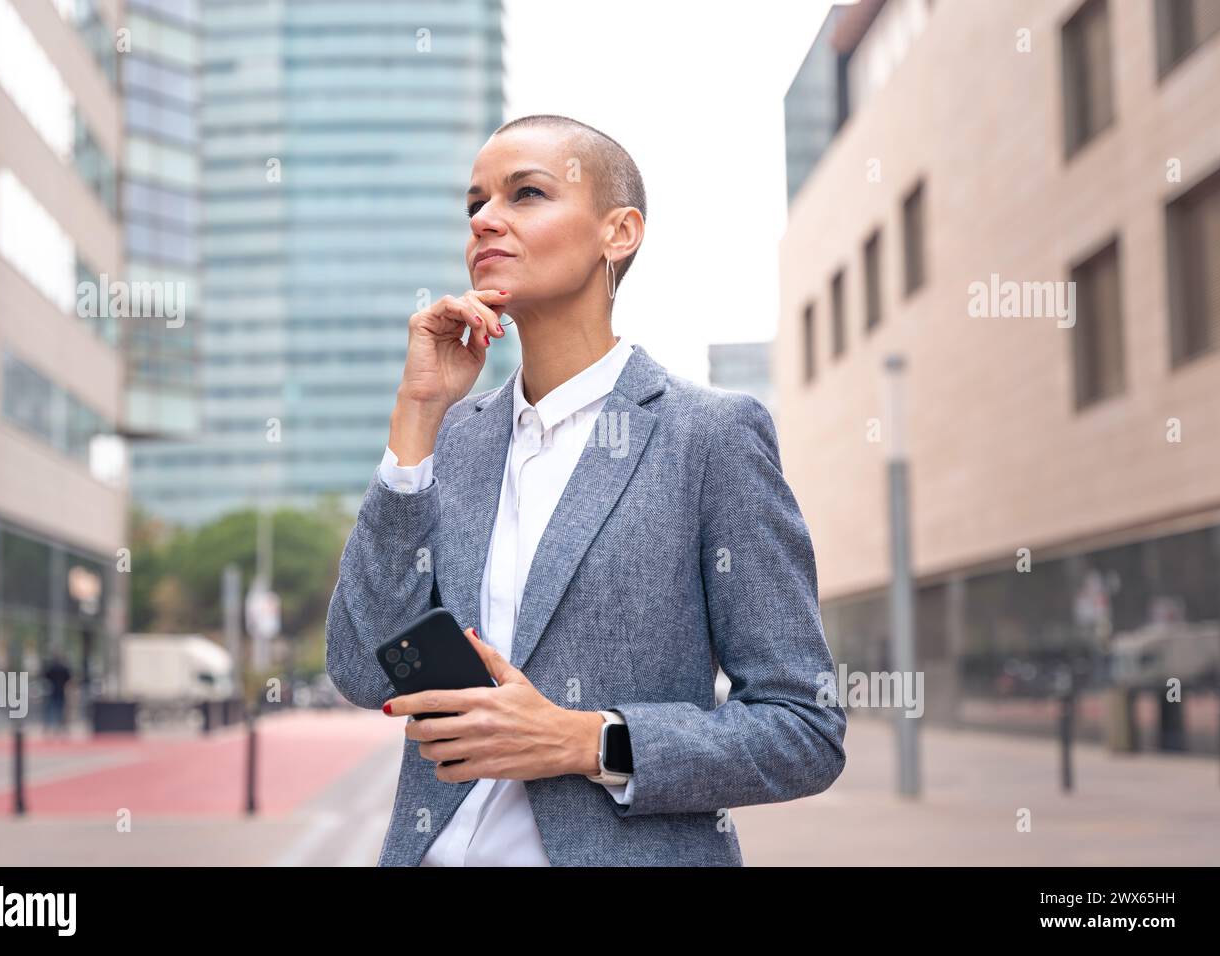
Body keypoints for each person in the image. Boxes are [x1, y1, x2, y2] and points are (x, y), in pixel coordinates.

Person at [325, 114, 846, 866]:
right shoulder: (457, 438)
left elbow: (804, 727)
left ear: (619, 232)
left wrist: (589, 740)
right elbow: (360, 667)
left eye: (525, 194)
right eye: (474, 204)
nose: (486, 221)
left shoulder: (708, 437)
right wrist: (416, 419)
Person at [42, 654, 72, 737]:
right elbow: (69, 678)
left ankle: (50, 728)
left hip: (53, 692)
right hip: (60, 692)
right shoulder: (63, 668)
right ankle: (60, 729)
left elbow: (45, 676)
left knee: (52, 712)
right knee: (60, 712)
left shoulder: (52, 668)